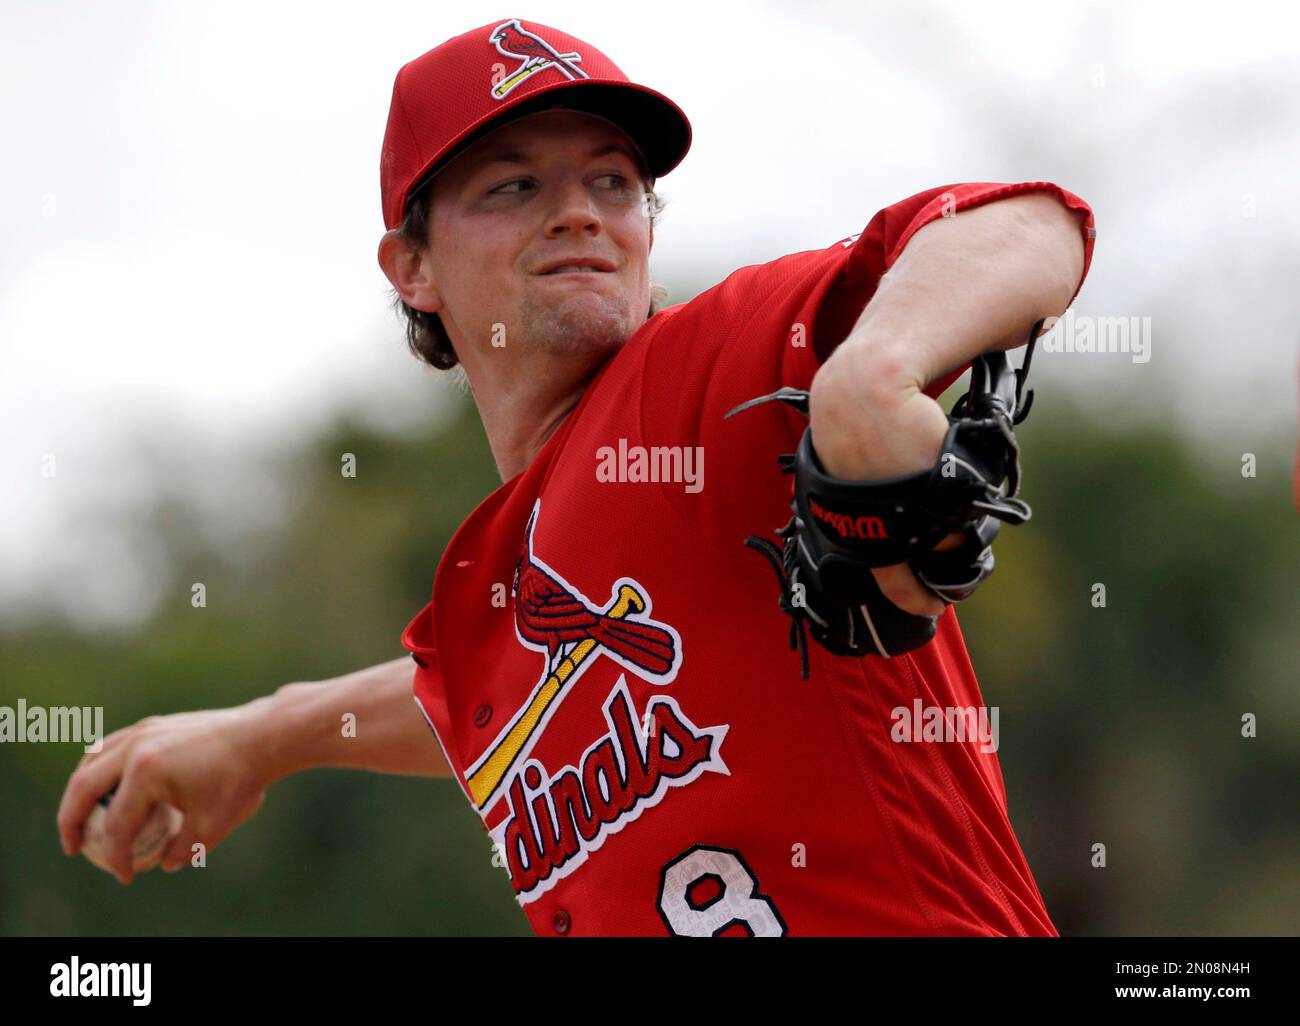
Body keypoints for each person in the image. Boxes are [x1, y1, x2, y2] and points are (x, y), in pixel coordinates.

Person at [58, 19, 1096, 936]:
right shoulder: (490, 594)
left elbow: (1031, 221)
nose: (581, 213)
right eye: (515, 185)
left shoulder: (701, 382)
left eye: (612, 181)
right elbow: (477, 701)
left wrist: (870, 375)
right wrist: (263, 735)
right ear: (410, 267)